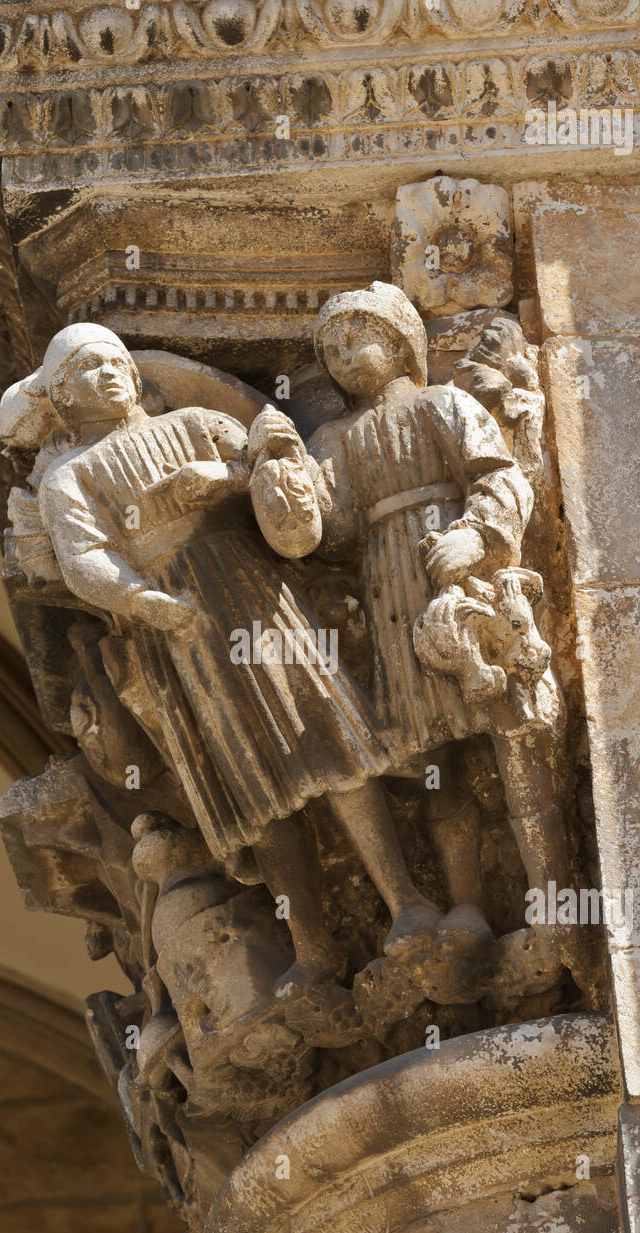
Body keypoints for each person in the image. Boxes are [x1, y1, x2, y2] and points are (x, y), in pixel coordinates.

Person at [13, 322, 453, 995]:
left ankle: (407, 901)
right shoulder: (70, 477)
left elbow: (279, 478)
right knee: (258, 791)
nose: (109, 375)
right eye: (86, 371)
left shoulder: (196, 422)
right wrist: (139, 599)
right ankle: (312, 946)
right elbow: (83, 561)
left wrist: (219, 477)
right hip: (177, 627)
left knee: (329, 743)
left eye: (115, 362)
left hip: (252, 590)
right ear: (65, 397)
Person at [247, 283, 541, 960]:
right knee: (432, 759)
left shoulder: (440, 402)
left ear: (404, 340)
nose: (349, 355)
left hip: (452, 583)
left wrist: (477, 536)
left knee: (496, 726)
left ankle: (537, 887)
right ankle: (463, 898)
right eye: (333, 348)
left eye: (362, 335)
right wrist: (289, 473)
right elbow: (336, 534)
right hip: (385, 591)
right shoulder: (331, 437)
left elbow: (498, 476)